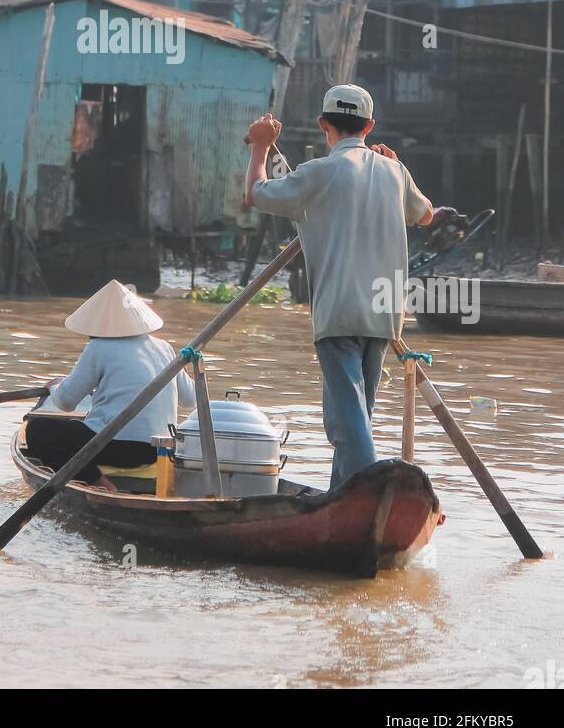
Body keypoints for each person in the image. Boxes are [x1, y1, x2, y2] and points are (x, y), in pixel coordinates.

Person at [244, 85, 453, 490]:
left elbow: (256, 194)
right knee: (357, 413)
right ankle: (344, 497)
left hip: (339, 310)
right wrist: (396, 166)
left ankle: (369, 492)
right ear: (370, 126)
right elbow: (426, 215)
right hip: (384, 313)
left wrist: (259, 147)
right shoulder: (395, 171)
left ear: (324, 125)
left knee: (346, 418)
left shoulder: (319, 172)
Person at [26, 279, 196, 491]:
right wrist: (186, 374)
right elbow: (190, 400)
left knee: (37, 430)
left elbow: (65, 402)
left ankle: (98, 482)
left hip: (114, 446)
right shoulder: (165, 348)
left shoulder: (99, 347)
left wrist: (53, 386)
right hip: (159, 450)